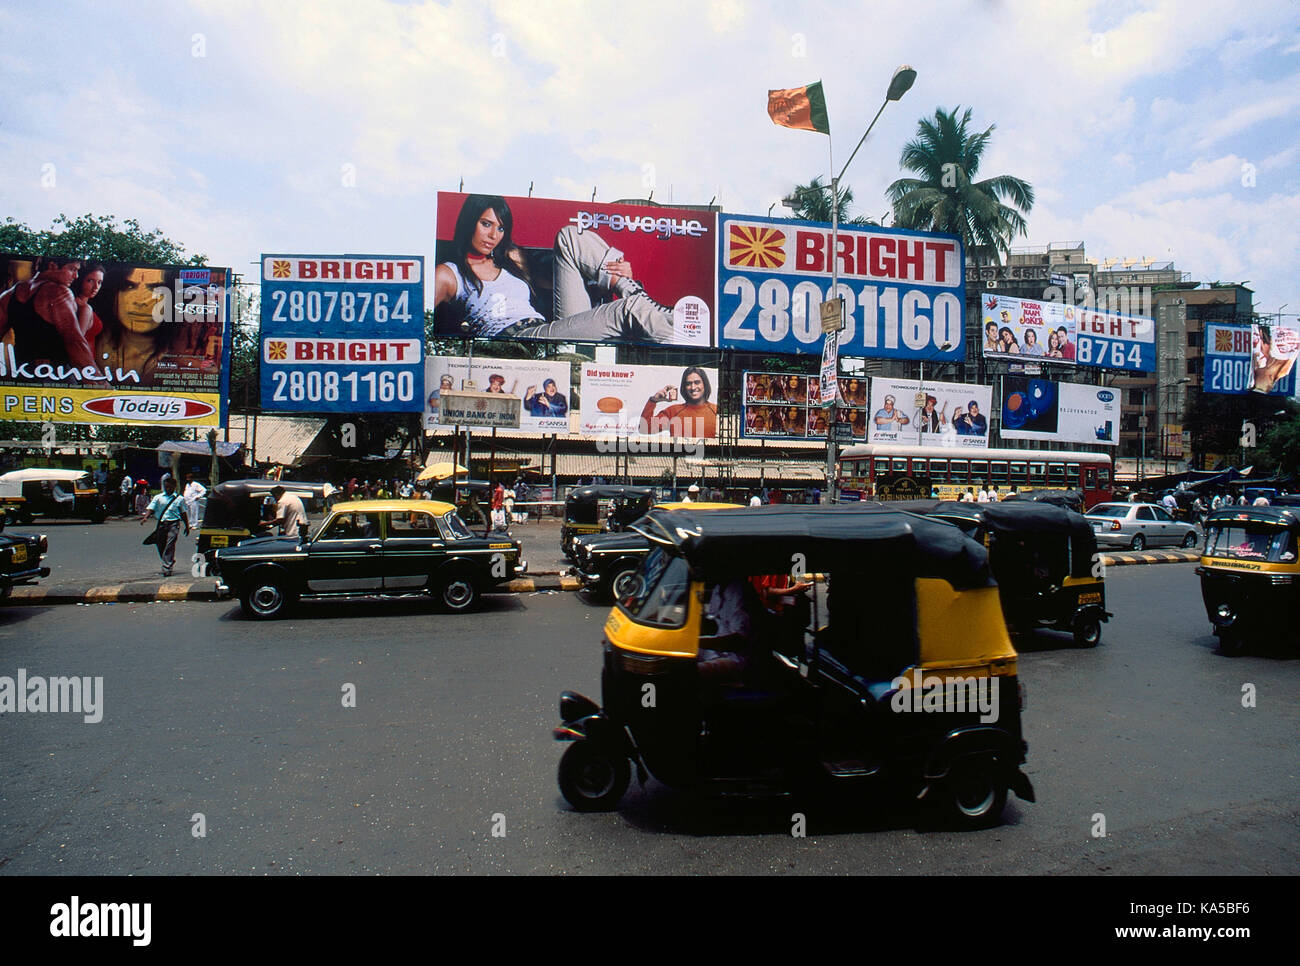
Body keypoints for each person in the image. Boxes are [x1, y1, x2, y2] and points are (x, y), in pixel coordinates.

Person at [433, 194, 676, 342]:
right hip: (517, 340)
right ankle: (678, 332)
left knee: (569, 235)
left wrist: (617, 276)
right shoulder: (448, 273)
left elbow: (563, 283)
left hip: (550, 330)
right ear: (469, 221)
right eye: (486, 224)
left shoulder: (510, 258)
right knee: (630, 308)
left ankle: (629, 288)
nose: (493, 235)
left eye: (500, 228)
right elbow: (418, 319)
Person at [93, 264, 187, 382]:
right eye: (129, 286)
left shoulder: (183, 361)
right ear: (115, 294)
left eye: (156, 289)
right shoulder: (91, 345)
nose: (141, 301)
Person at [0, 256, 96, 371]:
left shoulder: (8, 295)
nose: (76, 276)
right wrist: (100, 382)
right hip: (54, 374)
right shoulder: (59, 292)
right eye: (72, 269)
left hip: (23, 373)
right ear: (52, 265)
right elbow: (75, 343)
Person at [640, 366, 717, 437]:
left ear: (705, 384)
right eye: (688, 384)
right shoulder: (673, 411)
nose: (693, 387)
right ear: (684, 387)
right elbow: (644, 429)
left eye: (697, 382)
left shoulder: (716, 411)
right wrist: (653, 400)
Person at [140, 476, 188, 576]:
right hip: (161, 524)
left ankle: (167, 568)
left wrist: (187, 526)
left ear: (174, 487)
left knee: (170, 545)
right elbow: (151, 508)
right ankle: (169, 560)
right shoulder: (158, 497)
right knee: (160, 544)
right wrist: (146, 517)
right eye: (166, 487)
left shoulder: (179, 499)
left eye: (170, 487)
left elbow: (183, 513)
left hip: (173, 524)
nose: (168, 489)